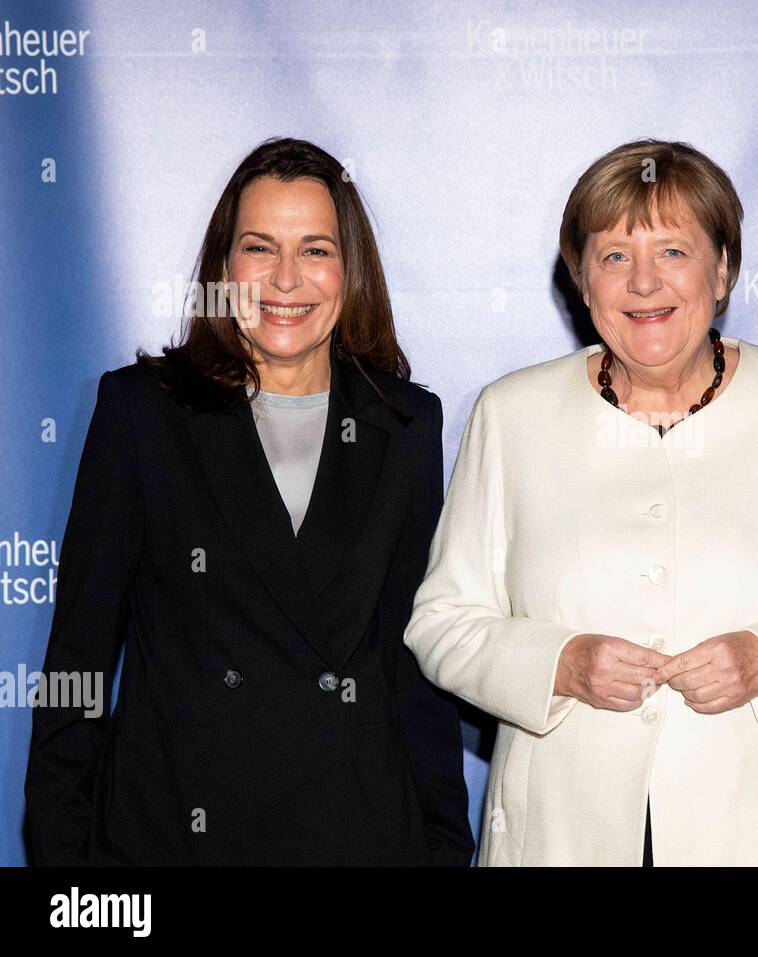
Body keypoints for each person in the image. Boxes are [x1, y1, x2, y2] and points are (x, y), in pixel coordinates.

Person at [403, 139, 758, 866]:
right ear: (582, 282)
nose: (643, 282)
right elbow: (443, 625)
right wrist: (560, 662)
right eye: (614, 255)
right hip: (564, 839)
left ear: (722, 270)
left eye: (674, 252)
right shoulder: (511, 414)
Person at [24, 137, 473, 866]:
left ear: (349, 270)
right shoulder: (144, 414)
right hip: (172, 840)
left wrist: (445, 851)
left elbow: (412, 676)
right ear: (224, 268)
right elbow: (77, 666)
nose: (286, 279)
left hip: (356, 837)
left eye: (316, 250)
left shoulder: (405, 425)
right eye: (260, 247)